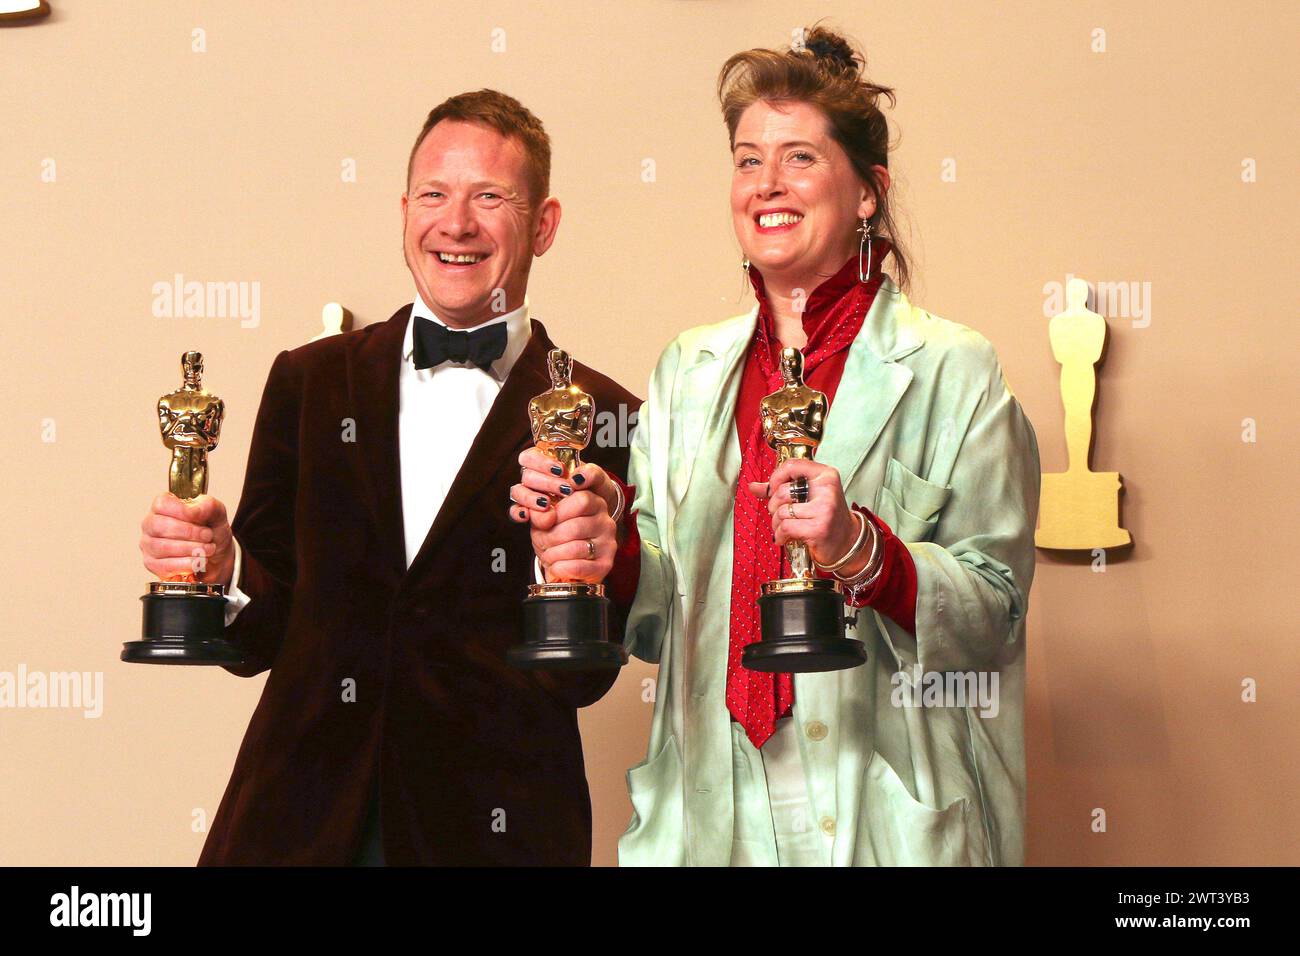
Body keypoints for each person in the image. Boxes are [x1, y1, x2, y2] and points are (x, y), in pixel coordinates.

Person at [138, 89, 640, 866]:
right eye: (435, 194)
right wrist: (223, 569)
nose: (457, 223)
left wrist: (565, 567)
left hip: (494, 834)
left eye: (490, 197)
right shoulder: (309, 380)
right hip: (294, 825)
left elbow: (581, 680)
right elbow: (262, 634)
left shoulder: (607, 414)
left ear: (543, 224)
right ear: (404, 209)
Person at [615, 26, 1041, 866]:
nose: (766, 184)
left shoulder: (957, 368)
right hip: (707, 807)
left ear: (869, 192)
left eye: (799, 157)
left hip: (882, 811)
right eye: (746, 160)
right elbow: (662, 615)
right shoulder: (684, 371)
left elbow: (995, 613)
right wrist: (610, 556)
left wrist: (860, 548)